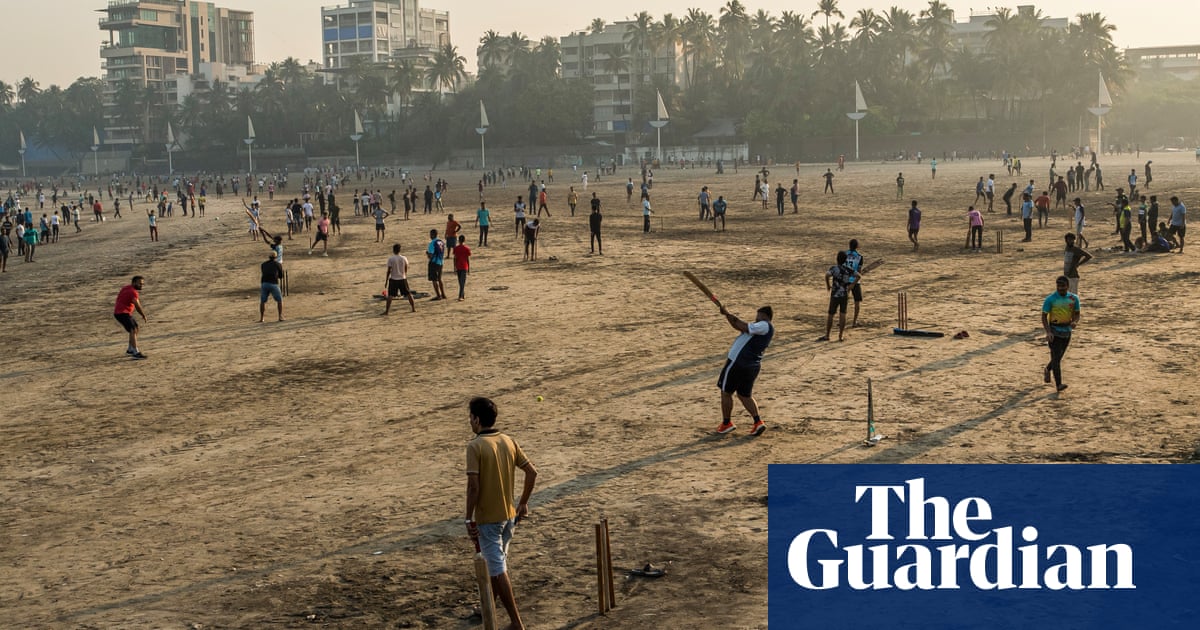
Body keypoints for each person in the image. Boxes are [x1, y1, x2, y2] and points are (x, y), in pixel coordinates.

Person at [464, 396, 538, 630]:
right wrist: (523, 503)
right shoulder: (508, 440)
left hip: (489, 520)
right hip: (509, 517)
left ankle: (516, 623)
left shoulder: (475, 446)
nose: (470, 422)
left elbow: (473, 487)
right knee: (495, 565)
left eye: (470, 417)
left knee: (497, 569)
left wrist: (468, 517)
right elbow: (532, 473)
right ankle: (487, 604)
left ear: (476, 419)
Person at [714, 304, 774, 436]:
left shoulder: (764, 325)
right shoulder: (758, 328)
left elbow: (743, 325)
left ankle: (726, 423)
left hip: (738, 363)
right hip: (750, 365)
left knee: (726, 393)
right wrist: (727, 315)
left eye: (758, 316)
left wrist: (727, 313)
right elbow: (737, 325)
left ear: (764, 315)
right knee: (744, 395)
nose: (756, 318)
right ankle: (758, 422)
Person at [1041, 275, 1080, 393]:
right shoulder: (1050, 299)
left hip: (1067, 331)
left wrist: (1075, 321)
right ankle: (1059, 384)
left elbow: (1077, 313)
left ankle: (1048, 369)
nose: (1061, 289)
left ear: (1068, 286)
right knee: (1056, 359)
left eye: (1063, 286)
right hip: (1054, 331)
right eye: (1059, 286)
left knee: (1058, 357)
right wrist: (1048, 331)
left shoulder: (1074, 299)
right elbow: (1044, 316)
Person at [822, 251, 857, 342]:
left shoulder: (834, 268)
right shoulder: (848, 269)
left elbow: (827, 275)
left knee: (831, 314)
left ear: (837, 259)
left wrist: (828, 285)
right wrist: (852, 285)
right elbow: (858, 276)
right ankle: (840, 335)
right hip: (844, 294)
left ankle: (827, 335)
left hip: (835, 294)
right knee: (843, 314)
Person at [113, 275, 148, 359]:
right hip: (122, 313)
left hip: (122, 312)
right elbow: (137, 305)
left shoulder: (126, 288)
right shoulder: (133, 292)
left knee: (135, 328)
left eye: (142, 284)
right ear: (134, 282)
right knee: (133, 329)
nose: (141, 285)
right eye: (140, 283)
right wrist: (143, 315)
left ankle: (130, 349)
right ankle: (136, 352)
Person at [384, 243, 416, 314]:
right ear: (400, 250)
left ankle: (387, 311)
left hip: (394, 279)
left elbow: (389, 270)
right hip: (402, 278)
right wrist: (404, 274)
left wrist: (386, 280)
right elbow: (406, 268)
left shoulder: (391, 259)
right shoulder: (404, 258)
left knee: (390, 295)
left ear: (393, 250)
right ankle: (413, 308)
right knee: (408, 294)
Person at [844, 239, 865, 327]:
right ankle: (854, 322)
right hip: (855, 281)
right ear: (857, 246)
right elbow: (859, 271)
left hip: (845, 280)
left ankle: (842, 320)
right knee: (857, 301)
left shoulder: (844, 254)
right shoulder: (859, 257)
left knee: (844, 301)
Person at [259, 251, 285, 322]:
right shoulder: (278, 264)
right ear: (276, 257)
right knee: (279, 300)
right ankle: (280, 316)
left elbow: (264, 272)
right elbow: (281, 276)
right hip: (274, 283)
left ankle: (262, 318)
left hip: (264, 283)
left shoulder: (263, 264)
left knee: (262, 301)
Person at [426, 229, 447, 300]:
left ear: (432, 235)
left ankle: (438, 295)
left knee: (434, 280)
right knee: (440, 279)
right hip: (441, 262)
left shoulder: (432, 243)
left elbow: (431, 255)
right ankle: (443, 294)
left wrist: (427, 254)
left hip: (434, 263)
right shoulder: (441, 242)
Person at [452, 235, 471, 301]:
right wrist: (469, 268)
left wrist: (454, 267)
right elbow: (467, 259)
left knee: (460, 282)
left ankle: (461, 295)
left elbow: (454, 258)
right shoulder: (467, 248)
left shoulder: (456, 248)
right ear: (464, 240)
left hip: (458, 266)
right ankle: (461, 295)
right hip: (464, 266)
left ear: (458, 240)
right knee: (462, 282)